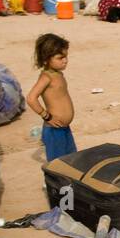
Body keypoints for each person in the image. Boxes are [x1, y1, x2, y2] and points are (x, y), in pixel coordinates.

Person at [27, 33, 77, 162]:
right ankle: (52, 182)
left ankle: (68, 182)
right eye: (60, 57)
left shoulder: (58, 74)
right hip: (54, 130)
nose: (65, 60)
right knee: (57, 165)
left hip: (64, 128)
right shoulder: (46, 77)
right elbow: (31, 98)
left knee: (72, 161)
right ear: (46, 59)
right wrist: (46, 116)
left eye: (66, 56)